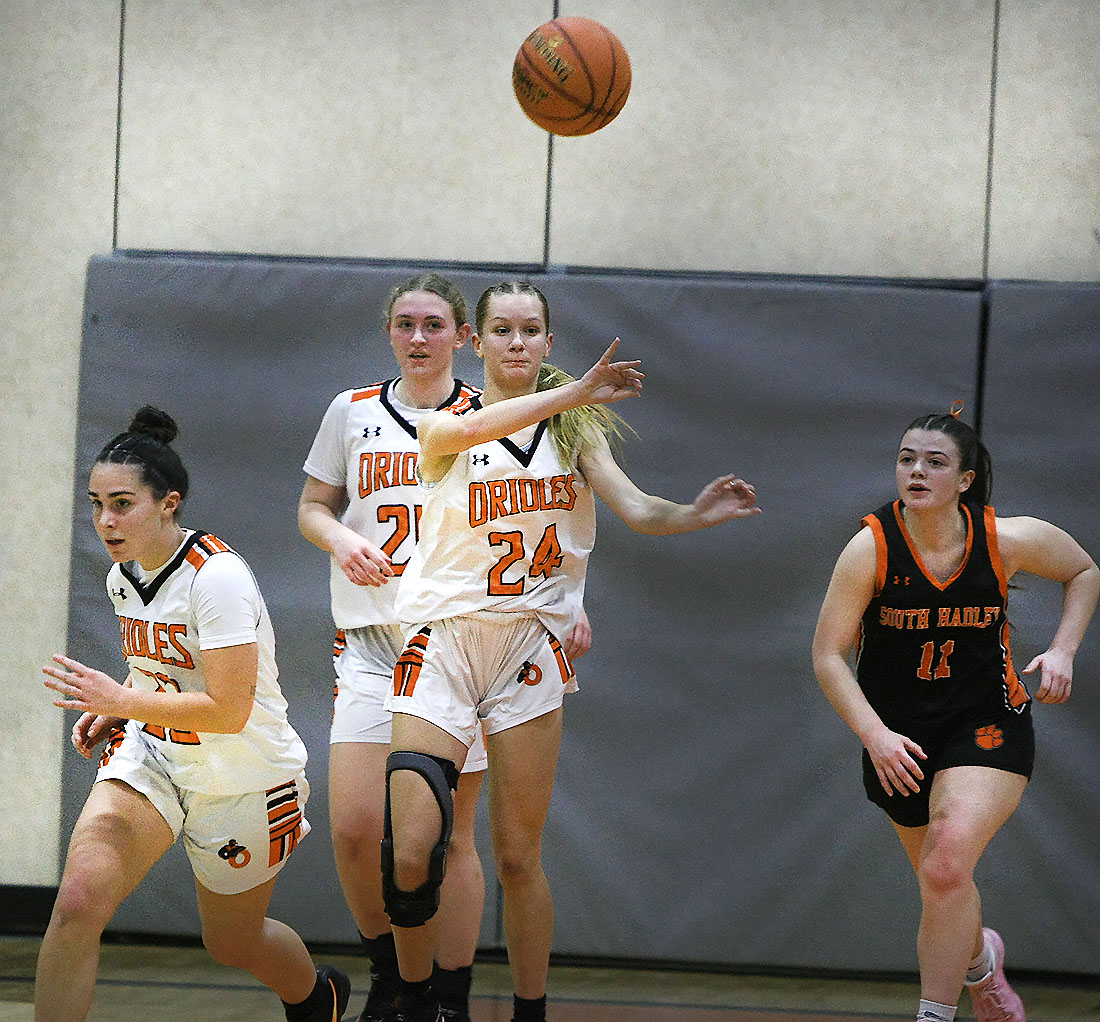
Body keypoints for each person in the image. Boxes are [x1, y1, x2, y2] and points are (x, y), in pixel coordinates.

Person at [380, 280, 762, 1022]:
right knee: (409, 856)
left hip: (527, 645)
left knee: (519, 856)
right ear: (474, 342)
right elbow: (450, 442)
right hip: (445, 642)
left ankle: (529, 1011)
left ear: (548, 344)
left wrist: (695, 513)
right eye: (502, 330)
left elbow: (642, 510)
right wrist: (572, 393)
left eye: (530, 331)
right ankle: (417, 1000)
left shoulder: (576, 433)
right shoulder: (443, 422)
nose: (517, 342)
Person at [298, 273, 592, 1022]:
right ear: (389, 332)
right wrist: (338, 539)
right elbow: (312, 507)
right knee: (357, 828)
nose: (419, 337)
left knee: (451, 838)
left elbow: (549, 518)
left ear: (464, 337)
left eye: (435, 324)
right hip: (373, 638)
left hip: (461, 642)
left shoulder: (493, 414)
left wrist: (568, 606)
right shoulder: (351, 411)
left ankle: (445, 998)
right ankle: (390, 976)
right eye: (405, 323)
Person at [37, 407, 350, 1022]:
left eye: (121, 503)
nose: (104, 520)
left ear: (168, 504)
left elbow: (229, 709)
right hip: (155, 756)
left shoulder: (219, 577)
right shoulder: (123, 575)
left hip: (245, 776)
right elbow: (161, 667)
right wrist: (123, 710)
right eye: (97, 503)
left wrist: (121, 700)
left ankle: (317, 997)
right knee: (76, 904)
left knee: (232, 942)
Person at [812, 408, 1099, 1022]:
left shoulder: (1004, 539)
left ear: (965, 480)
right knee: (943, 881)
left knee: (945, 862)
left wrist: (1064, 650)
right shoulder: (871, 547)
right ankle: (983, 970)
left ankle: (935, 1015)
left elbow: (1083, 570)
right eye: (906, 459)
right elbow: (829, 655)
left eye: (935, 462)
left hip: (987, 720)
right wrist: (875, 735)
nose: (916, 471)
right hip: (897, 737)